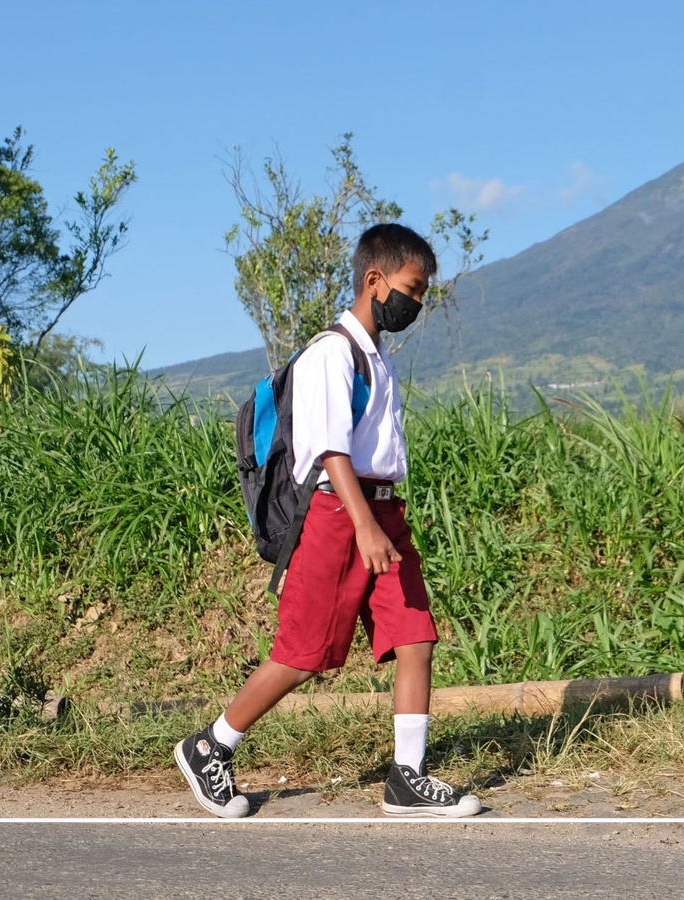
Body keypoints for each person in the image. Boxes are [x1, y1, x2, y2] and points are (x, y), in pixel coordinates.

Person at [175, 224, 478, 819]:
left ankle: (407, 779)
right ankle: (210, 745)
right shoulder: (329, 354)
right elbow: (330, 451)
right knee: (302, 652)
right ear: (375, 280)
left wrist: (380, 520)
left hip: (384, 512)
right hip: (341, 515)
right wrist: (364, 525)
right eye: (412, 290)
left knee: (415, 637)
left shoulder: (376, 358)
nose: (416, 304)